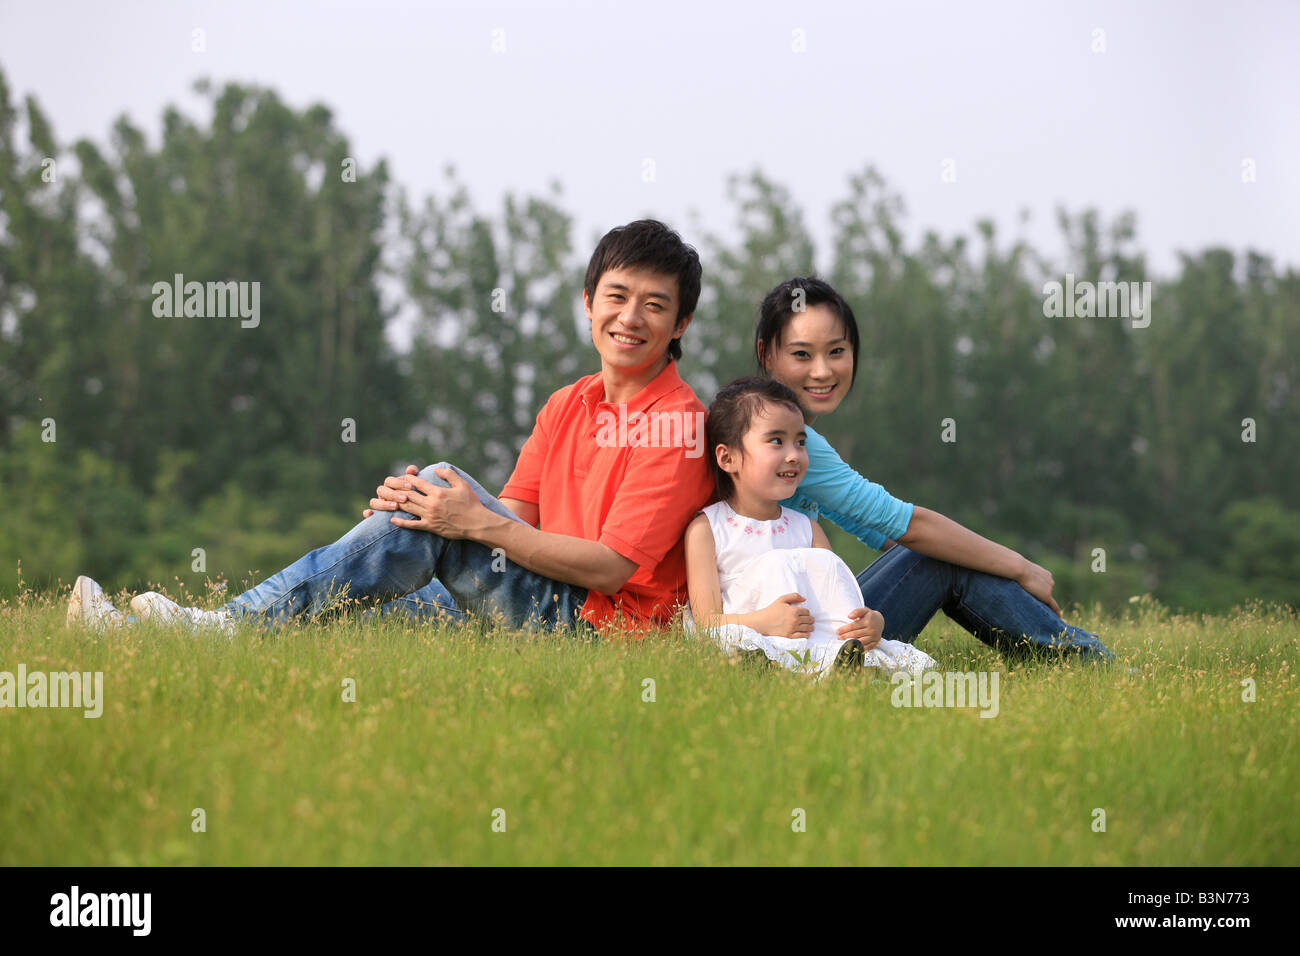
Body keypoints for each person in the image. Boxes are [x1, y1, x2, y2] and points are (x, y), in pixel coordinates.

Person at [66, 220, 716, 639]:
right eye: (618, 295)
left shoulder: (678, 424)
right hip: (549, 598)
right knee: (356, 597)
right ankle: (135, 634)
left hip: (602, 632)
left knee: (438, 493)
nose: (630, 317)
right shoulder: (567, 403)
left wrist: (466, 519)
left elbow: (608, 569)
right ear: (588, 302)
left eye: (654, 305)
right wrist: (435, 513)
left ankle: (220, 630)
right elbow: (514, 515)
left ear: (680, 324)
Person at [751, 276, 1113, 661]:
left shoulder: (764, 429)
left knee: (942, 553)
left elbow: (880, 529)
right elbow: (910, 527)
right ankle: (1085, 659)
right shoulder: (793, 443)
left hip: (797, 623)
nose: (822, 371)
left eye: (836, 351)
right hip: (793, 632)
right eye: (802, 355)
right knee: (937, 554)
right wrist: (1021, 568)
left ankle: (1069, 651)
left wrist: (966, 560)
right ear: (767, 355)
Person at [683, 376, 938, 679]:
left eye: (800, 442)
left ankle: (835, 665)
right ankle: (768, 664)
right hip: (754, 631)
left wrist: (873, 620)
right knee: (732, 642)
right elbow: (706, 622)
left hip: (813, 637)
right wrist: (764, 621)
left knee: (837, 597)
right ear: (728, 457)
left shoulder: (807, 529)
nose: (794, 455)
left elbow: (833, 601)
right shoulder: (708, 529)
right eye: (776, 441)